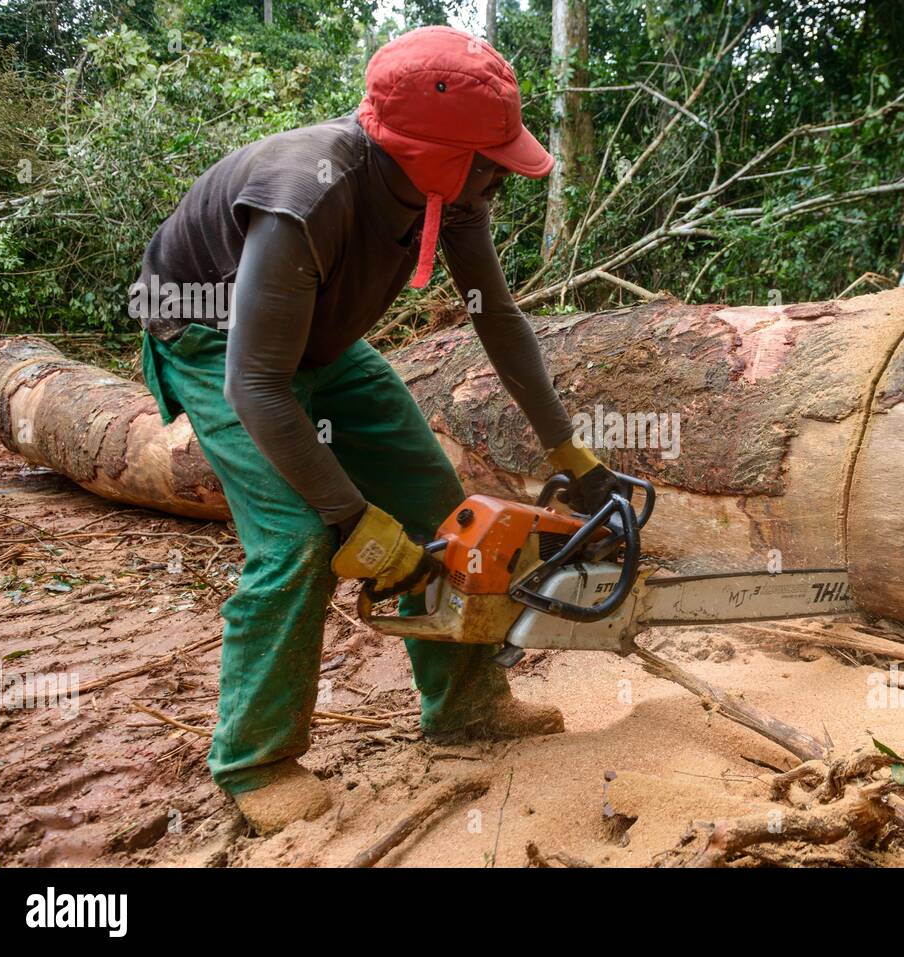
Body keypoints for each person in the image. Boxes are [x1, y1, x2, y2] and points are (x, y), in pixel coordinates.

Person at [132, 27, 620, 834]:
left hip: (316, 335)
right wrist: (353, 520)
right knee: (296, 540)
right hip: (217, 342)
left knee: (437, 503)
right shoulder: (307, 194)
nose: (504, 174)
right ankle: (256, 757)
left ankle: (465, 702)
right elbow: (255, 382)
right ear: (436, 155)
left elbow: (494, 316)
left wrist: (566, 446)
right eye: (492, 159)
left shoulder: (452, 192)